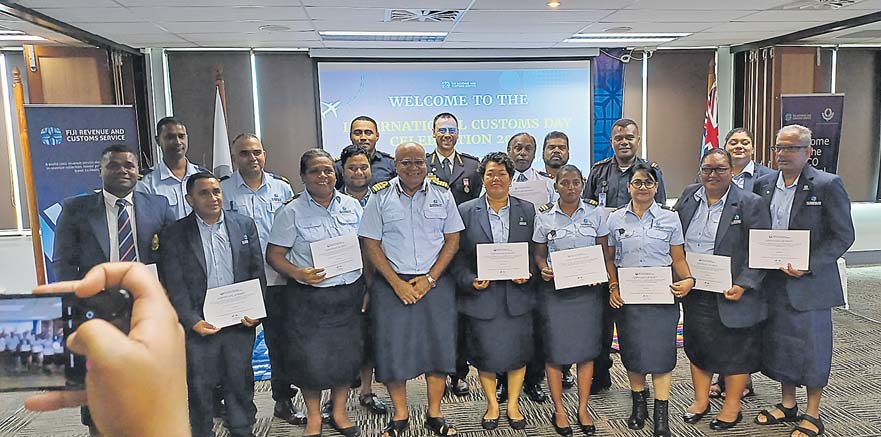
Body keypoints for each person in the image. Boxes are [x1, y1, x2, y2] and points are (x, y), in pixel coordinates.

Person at [51, 144, 176, 433]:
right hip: (97, 307)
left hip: (145, 306)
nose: (123, 171)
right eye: (114, 165)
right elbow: (63, 261)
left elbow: (173, 257)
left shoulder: (158, 205)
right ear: (100, 171)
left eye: (129, 166)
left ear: (138, 172)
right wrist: (78, 303)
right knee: (100, 375)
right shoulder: (75, 208)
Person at [752, 125, 855, 437]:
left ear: (808, 152)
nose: (783, 153)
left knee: (812, 348)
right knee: (782, 344)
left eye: (792, 148)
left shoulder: (827, 184)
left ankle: (813, 413)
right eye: (779, 147)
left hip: (810, 284)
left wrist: (808, 264)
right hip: (773, 281)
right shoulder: (764, 183)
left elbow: (843, 235)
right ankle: (787, 404)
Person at [358, 142, 464, 437]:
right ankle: (400, 415)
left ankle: (435, 414)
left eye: (419, 162)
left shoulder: (442, 194)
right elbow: (370, 243)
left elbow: (452, 239)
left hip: (435, 282)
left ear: (427, 164)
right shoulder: (380, 197)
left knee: (438, 347)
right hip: (392, 283)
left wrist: (429, 279)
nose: (413, 168)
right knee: (394, 350)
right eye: (406, 162)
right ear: (395, 164)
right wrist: (396, 284)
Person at [265, 148, 364, 437]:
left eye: (328, 170)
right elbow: (274, 254)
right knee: (311, 360)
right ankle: (314, 417)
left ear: (336, 174)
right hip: (310, 297)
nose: (323, 176)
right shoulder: (291, 211)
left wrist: (366, 289)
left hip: (348, 295)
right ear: (303, 176)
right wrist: (297, 272)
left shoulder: (352, 206)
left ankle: (339, 412)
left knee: (345, 357)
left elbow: (366, 248)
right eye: (315, 171)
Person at [158, 172, 265, 437]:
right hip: (199, 321)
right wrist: (191, 320)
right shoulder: (174, 234)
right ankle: (202, 430)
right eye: (204, 193)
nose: (213, 197)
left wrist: (256, 311)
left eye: (216, 191)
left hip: (239, 319)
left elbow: (256, 271)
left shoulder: (243, 224)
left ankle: (241, 427)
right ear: (189, 199)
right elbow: (174, 284)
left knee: (239, 376)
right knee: (199, 382)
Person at [674, 148, 771, 430]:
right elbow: (676, 238)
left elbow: (760, 250)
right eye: (707, 169)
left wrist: (744, 283)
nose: (712, 175)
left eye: (719, 169)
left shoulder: (750, 203)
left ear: (731, 171)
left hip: (732, 289)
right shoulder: (689, 196)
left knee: (735, 348)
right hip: (695, 287)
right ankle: (701, 400)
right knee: (698, 344)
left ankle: (732, 406)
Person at [219, 134, 305, 425]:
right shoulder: (221, 190)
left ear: (264, 154)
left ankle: (283, 400)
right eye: (244, 153)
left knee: (280, 343)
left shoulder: (282, 188)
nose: (252, 158)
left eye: (257, 152)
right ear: (234, 157)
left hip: (278, 279)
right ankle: (238, 406)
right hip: (240, 283)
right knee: (238, 348)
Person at [607, 162, 694, 437]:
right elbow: (609, 258)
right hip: (629, 299)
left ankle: (661, 413)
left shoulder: (670, 219)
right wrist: (613, 287)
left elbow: (677, 257)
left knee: (661, 354)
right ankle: (638, 405)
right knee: (632, 351)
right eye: (637, 182)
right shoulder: (615, 219)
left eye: (648, 183)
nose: (642, 187)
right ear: (629, 186)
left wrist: (689, 279)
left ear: (656, 187)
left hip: (661, 298)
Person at [582, 118, 667, 395]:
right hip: (605, 255)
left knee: (636, 319)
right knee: (602, 319)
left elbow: (661, 211)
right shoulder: (599, 172)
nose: (624, 142)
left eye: (630, 137)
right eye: (619, 138)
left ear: (637, 140)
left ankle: (645, 372)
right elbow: (587, 211)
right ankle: (601, 372)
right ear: (612, 141)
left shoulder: (650, 171)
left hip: (637, 258)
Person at [453, 152, 535, 431]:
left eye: (502, 173)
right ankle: (492, 403)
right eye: (490, 174)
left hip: (517, 296)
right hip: (482, 296)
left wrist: (530, 274)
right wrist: (469, 279)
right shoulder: (465, 211)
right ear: (482, 177)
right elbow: (459, 258)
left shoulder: (528, 210)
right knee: (485, 352)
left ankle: (512, 403)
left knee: (518, 352)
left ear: (511, 179)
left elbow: (536, 253)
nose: (496, 178)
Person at [533, 164, 616, 436]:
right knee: (556, 352)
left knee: (585, 351)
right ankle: (559, 409)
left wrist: (603, 274)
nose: (570, 188)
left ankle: (582, 408)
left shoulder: (595, 213)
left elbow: (604, 254)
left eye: (575, 183)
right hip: (555, 294)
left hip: (587, 295)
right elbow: (539, 254)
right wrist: (543, 267)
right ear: (555, 185)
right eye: (564, 183)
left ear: (582, 184)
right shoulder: (544, 216)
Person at [495, 132, 555, 403]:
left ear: (535, 153)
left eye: (527, 148)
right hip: (499, 268)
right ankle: (501, 382)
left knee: (535, 329)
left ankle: (533, 381)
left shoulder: (546, 183)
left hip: (533, 267)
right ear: (509, 150)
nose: (522, 153)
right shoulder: (496, 180)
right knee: (501, 329)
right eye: (517, 148)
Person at [425, 112, 480, 397]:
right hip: (430, 251)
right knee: (434, 319)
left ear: (458, 134)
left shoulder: (472, 165)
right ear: (433, 133)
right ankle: (435, 373)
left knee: (461, 319)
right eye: (441, 129)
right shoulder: (422, 163)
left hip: (463, 252)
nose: (447, 134)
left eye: (452, 130)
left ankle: (459, 373)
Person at [332, 144, 389, 416]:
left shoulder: (384, 198)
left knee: (370, 338)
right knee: (340, 340)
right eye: (352, 167)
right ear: (342, 171)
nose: (358, 172)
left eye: (363, 167)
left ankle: (366, 391)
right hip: (342, 281)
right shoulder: (332, 201)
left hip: (381, 278)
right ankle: (336, 398)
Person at [137, 116, 210, 219]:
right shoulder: (146, 182)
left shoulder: (204, 177)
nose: (178, 142)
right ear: (158, 141)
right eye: (170, 137)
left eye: (181, 136)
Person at [334, 116, 396, 189]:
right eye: (357, 133)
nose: (363, 137)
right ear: (350, 136)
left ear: (377, 136)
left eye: (368, 133)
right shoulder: (338, 166)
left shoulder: (391, 164)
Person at [724, 128, 773, 192]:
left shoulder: (769, 176)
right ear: (725, 148)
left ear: (753, 149)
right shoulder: (716, 174)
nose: (739, 146)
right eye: (733, 143)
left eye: (745, 143)